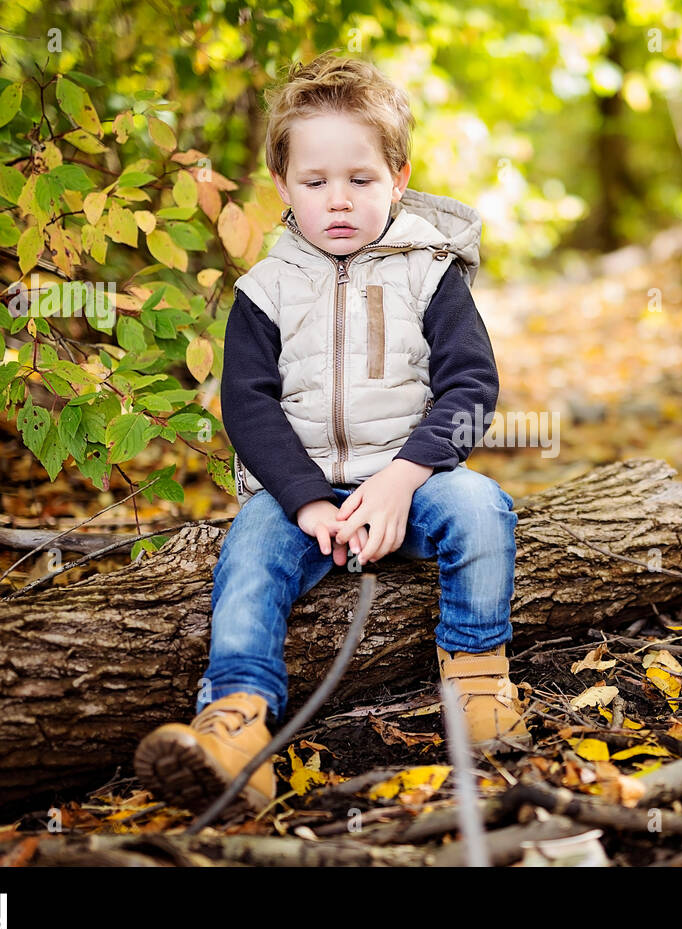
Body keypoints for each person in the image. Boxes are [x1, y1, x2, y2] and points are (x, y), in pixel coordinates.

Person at [134, 52, 531, 819]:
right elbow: (248, 407)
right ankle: (236, 723)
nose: (338, 201)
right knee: (249, 553)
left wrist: (401, 478)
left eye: (361, 180)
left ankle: (478, 677)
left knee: (483, 508)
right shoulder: (266, 290)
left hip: (413, 483)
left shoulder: (430, 272)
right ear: (282, 187)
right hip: (299, 495)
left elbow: (471, 388)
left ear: (399, 177)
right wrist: (307, 501)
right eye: (315, 183)